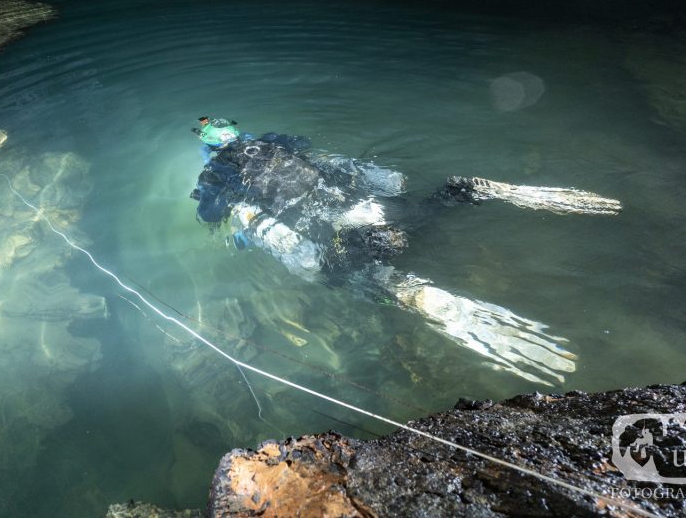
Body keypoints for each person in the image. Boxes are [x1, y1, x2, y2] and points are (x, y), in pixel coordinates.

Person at [188, 116, 622, 385]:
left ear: (209, 148)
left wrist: (228, 217)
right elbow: (303, 144)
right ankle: (463, 192)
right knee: (419, 213)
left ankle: (381, 263)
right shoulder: (273, 140)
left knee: (326, 270)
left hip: (321, 222)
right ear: (240, 133)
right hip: (356, 200)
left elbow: (209, 214)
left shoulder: (216, 170)